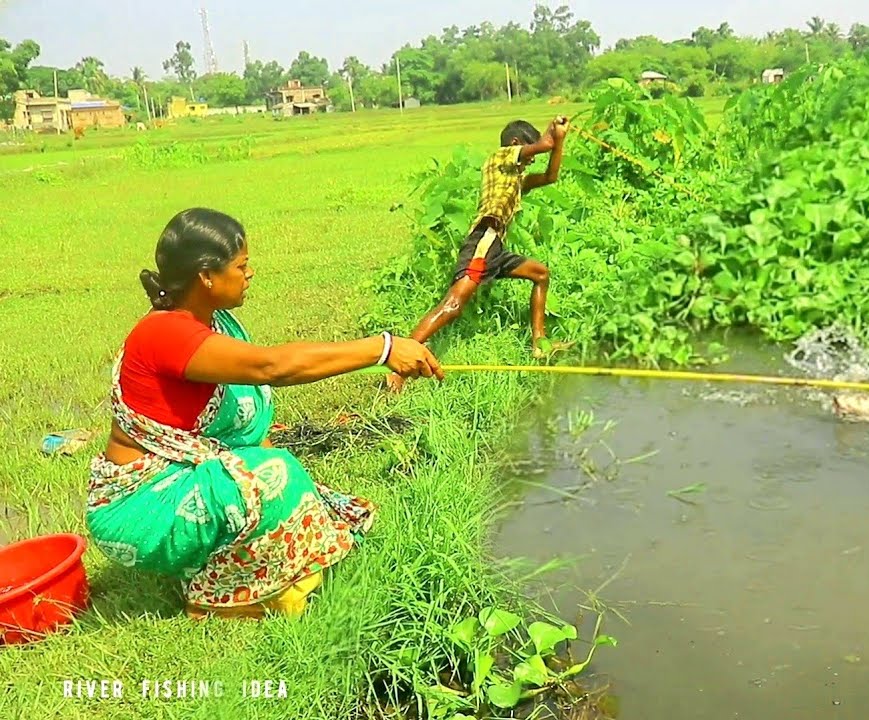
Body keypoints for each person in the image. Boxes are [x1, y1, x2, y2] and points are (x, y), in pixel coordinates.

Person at [86, 207, 444, 620]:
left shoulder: (216, 325)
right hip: (142, 506)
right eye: (241, 266)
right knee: (275, 477)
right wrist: (382, 349)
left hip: (188, 482)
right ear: (206, 276)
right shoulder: (164, 333)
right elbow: (272, 367)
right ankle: (215, 600)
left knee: (314, 496)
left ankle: (244, 571)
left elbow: (249, 429)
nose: (250, 273)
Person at [386, 116, 574, 393]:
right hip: (483, 241)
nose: (532, 159)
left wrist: (561, 140)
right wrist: (553, 132)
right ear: (516, 144)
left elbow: (551, 176)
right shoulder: (500, 158)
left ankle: (539, 345)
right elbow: (545, 144)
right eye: (529, 150)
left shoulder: (514, 178)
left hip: (495, 246)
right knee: (453, 305)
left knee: (540, 274)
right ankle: (399, 367)